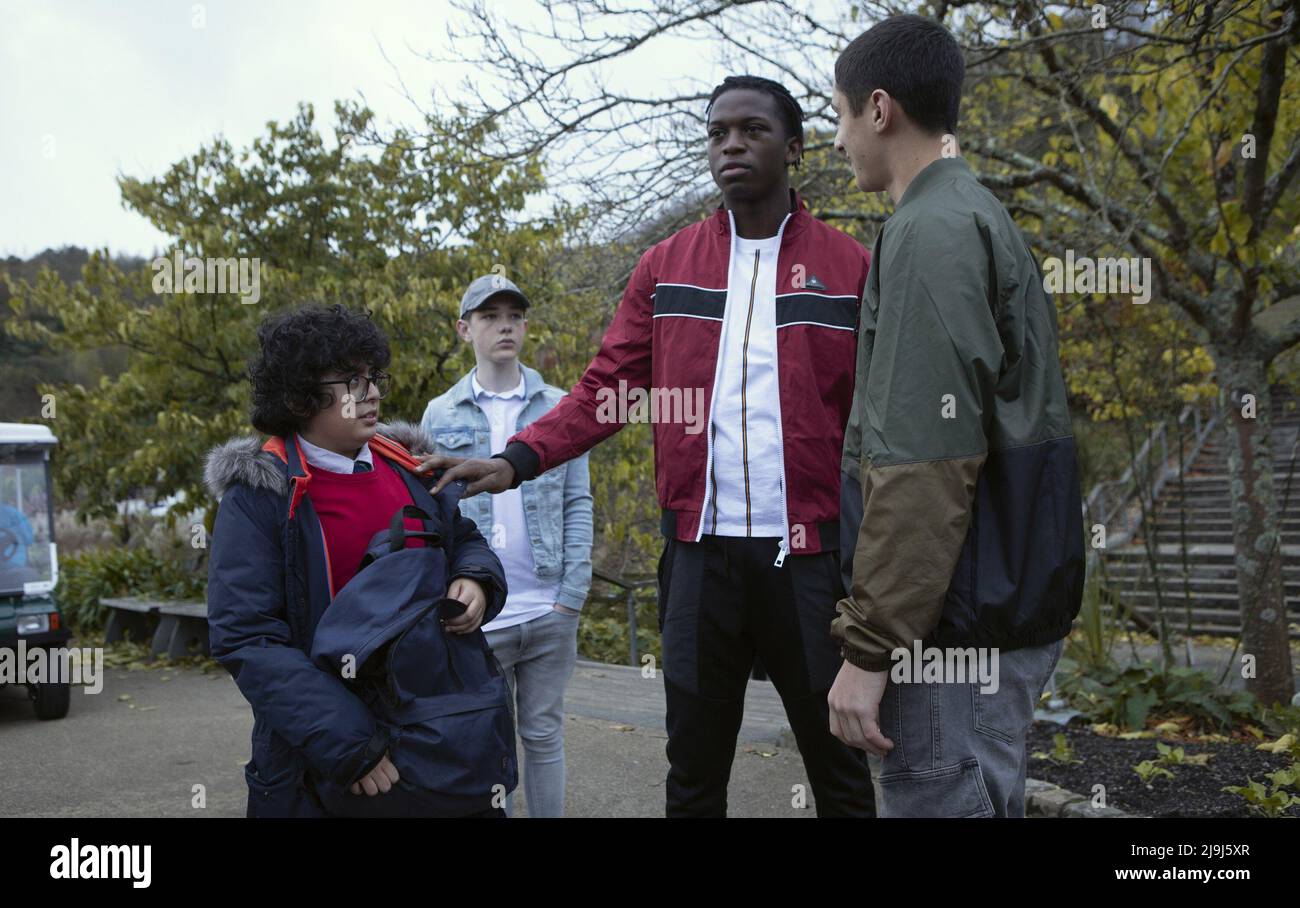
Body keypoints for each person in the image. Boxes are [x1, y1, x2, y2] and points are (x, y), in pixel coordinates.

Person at [420, 76, 877, 817]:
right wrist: (515, 461)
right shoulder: (667, 265)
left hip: (812, 561)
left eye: (752, 130)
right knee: (693, 772)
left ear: (793, 149)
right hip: (699, 559)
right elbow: (608, 389)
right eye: (717, 131)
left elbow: (879, 418)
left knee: (841, 771)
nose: (731, 143)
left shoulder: (851, 268)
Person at [825, 14, 1085, 817]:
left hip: (957, 629)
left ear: (878, 109)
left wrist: (870, 650)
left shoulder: (929, 231)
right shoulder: (968, 211)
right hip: (989, 610)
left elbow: (924, 466)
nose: (837, 141)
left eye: (838, 116)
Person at [204, 303, 507, 818]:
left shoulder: (409, 468)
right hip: (328, 760)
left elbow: (465, 539)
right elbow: (247, 636)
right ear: (300, 397)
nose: (372, 393)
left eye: (372, 376)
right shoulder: (261, 495)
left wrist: (474, 579)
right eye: (350, 380)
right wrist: (349, 745)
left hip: (438, 736)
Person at [421, 274, 593, 818]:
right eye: (490, 316)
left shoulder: (560, 407)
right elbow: (434, 515)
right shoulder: (439, 413)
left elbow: (577, 502)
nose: (505, 326)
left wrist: (571, 593)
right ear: (464, 329)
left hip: (548, 608)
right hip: (481, 615)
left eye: (514, 316)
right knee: (487, 745)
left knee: (543, 736)